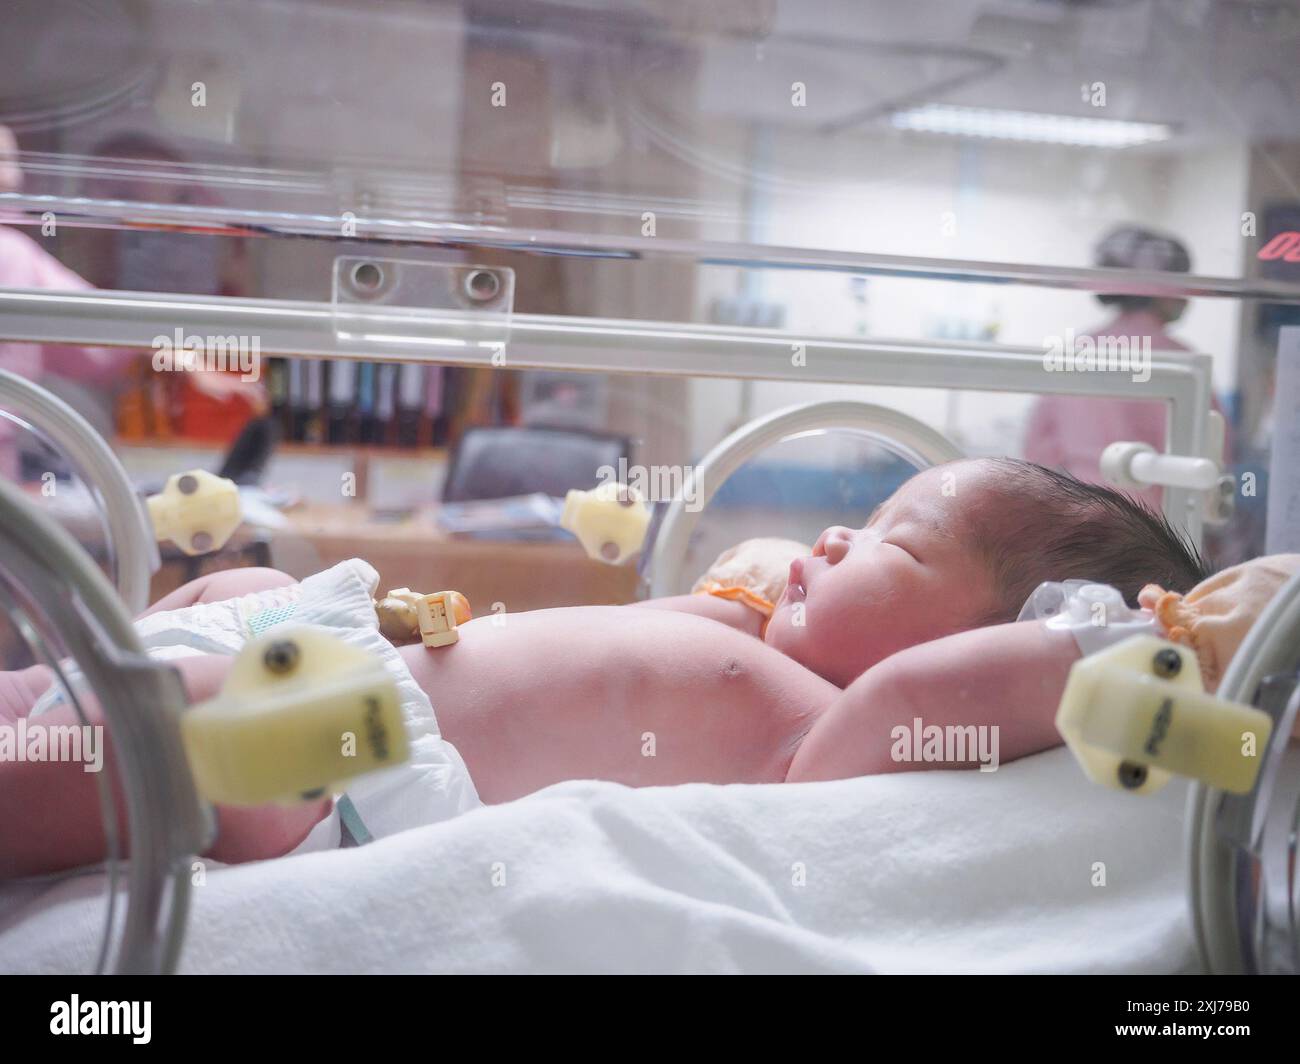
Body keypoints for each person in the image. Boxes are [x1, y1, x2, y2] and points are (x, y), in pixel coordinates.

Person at [0, 458, 1209, 876]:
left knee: (161, 724)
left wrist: (1111, 642)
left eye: (894, 539)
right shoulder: (751, 628)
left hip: (345, 755)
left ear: (968, 648)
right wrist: (787, 580)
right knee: (231, 596)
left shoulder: (830, 731)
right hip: (329, 643)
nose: (837, 535)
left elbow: (929, 690)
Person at [1024, 226, 1231, 510]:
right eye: (1182, 282)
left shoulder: (1077, 349)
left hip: (1079, 515)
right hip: (1159, 523)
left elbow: (1039, 452)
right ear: (1163, 288)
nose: (1188, 296)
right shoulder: (1182, 359)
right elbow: (1213, 456)